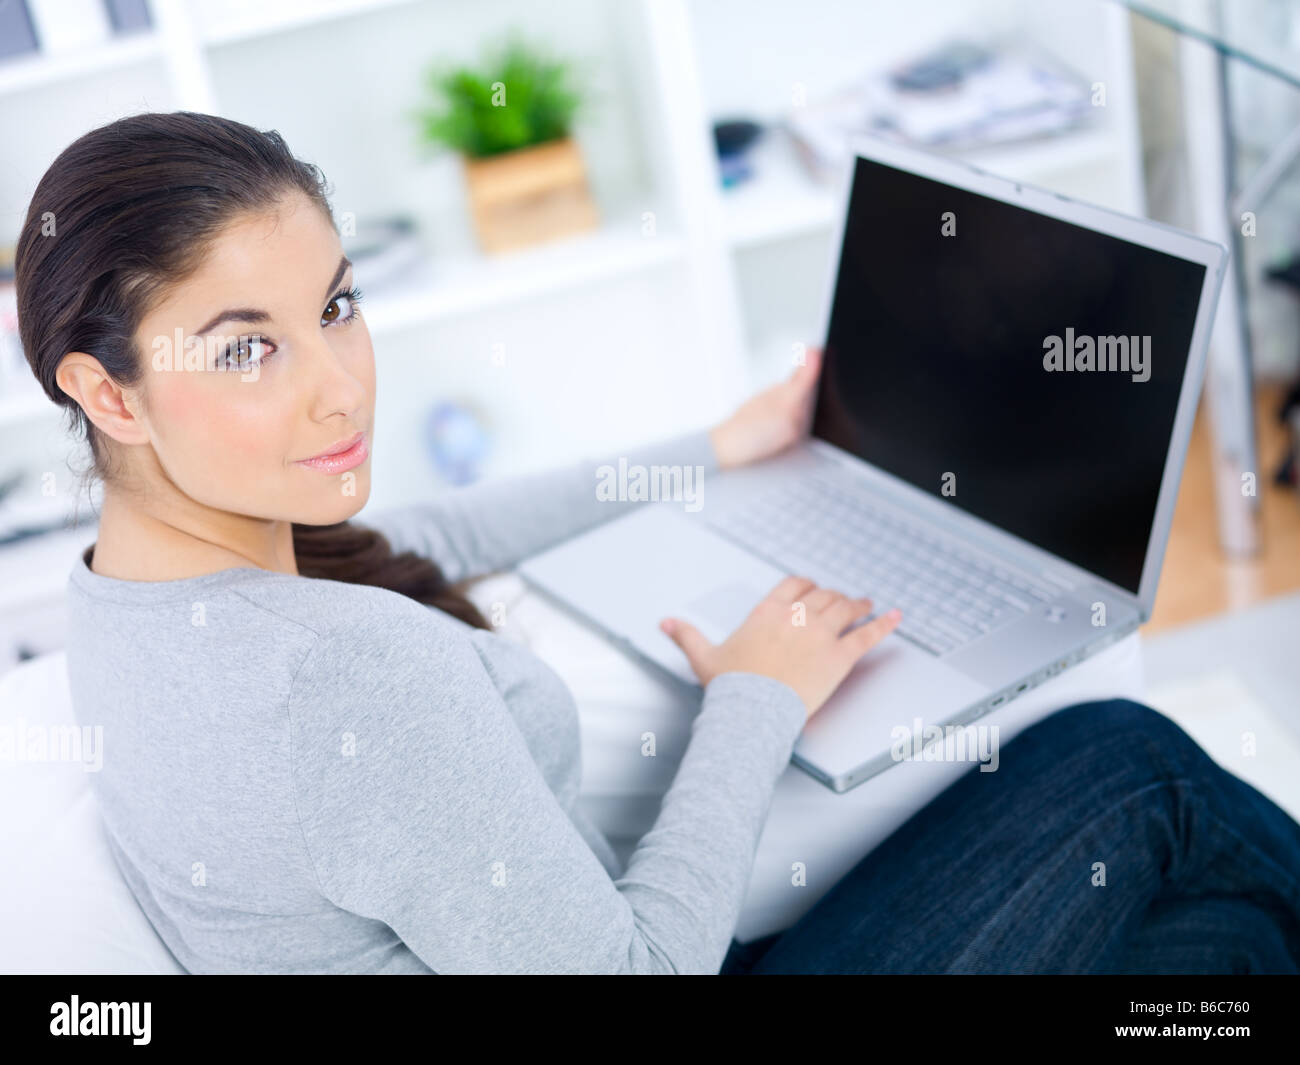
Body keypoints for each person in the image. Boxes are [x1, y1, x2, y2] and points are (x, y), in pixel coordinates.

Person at [16, 112, 1300, 974]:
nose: (339, 388)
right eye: (247, 347)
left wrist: (713, 449)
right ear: (109, 392)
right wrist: (753, 697)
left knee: (1223, 935)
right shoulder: (349, 684)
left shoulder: (123, 595)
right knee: (1137, 770)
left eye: (336, 306)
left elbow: (414, 533)